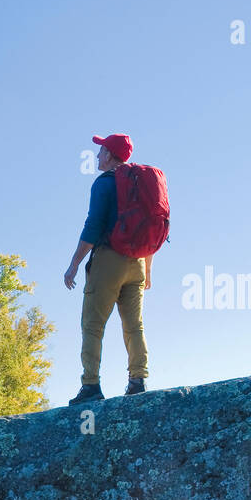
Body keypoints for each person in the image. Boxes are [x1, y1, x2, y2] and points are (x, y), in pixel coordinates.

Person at [63, 133, 151, 405]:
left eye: (101, 152)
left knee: (92, 325)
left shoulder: (103, 184)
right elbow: (150, 229)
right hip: (137, 262)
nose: (97, 156)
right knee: (134, 325)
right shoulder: (139, 184)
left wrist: (74, 264)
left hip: (109, 260)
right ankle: (138, 381)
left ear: (110, 155)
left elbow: (93, 226)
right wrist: (147, 268)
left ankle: (90, 386)